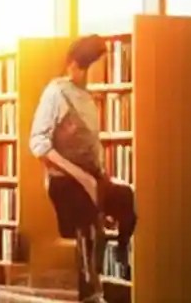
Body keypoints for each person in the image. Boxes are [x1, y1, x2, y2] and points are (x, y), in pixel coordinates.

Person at [29, 35, 136, 303]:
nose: (86, 75)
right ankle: (90, 294)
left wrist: (100, 177)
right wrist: (80, 176)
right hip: (64, 180)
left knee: (126, 199)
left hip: (90, 176)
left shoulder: (87, 97)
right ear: (73, 66)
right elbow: (38, 144)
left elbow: (91, 145)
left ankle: (121, 254)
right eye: (83, 68)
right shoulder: (56, 93)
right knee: (88, 224)